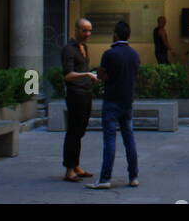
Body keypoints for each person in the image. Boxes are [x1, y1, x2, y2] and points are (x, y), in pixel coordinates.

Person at [89, 20, 140, 189]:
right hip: (127, 101)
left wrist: (105, 76)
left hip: (111, 100)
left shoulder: (109, 54)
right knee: (129, 139)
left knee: (110, 140)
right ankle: (133, 176)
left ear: (115, 35)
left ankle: (105, 179)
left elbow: (102, 75)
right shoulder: (134, 54)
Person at [60, 18, 98, 182]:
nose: (87, 34)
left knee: (80, 131)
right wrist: (87, 74)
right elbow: (68, 75)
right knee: (73, 131)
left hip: (86, 93)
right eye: (84, 30)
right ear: (75, 30)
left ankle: (76, 166)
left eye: (89, 30)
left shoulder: (84, 47)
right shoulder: (69, 49)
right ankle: (69, 170)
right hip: (75, 94)